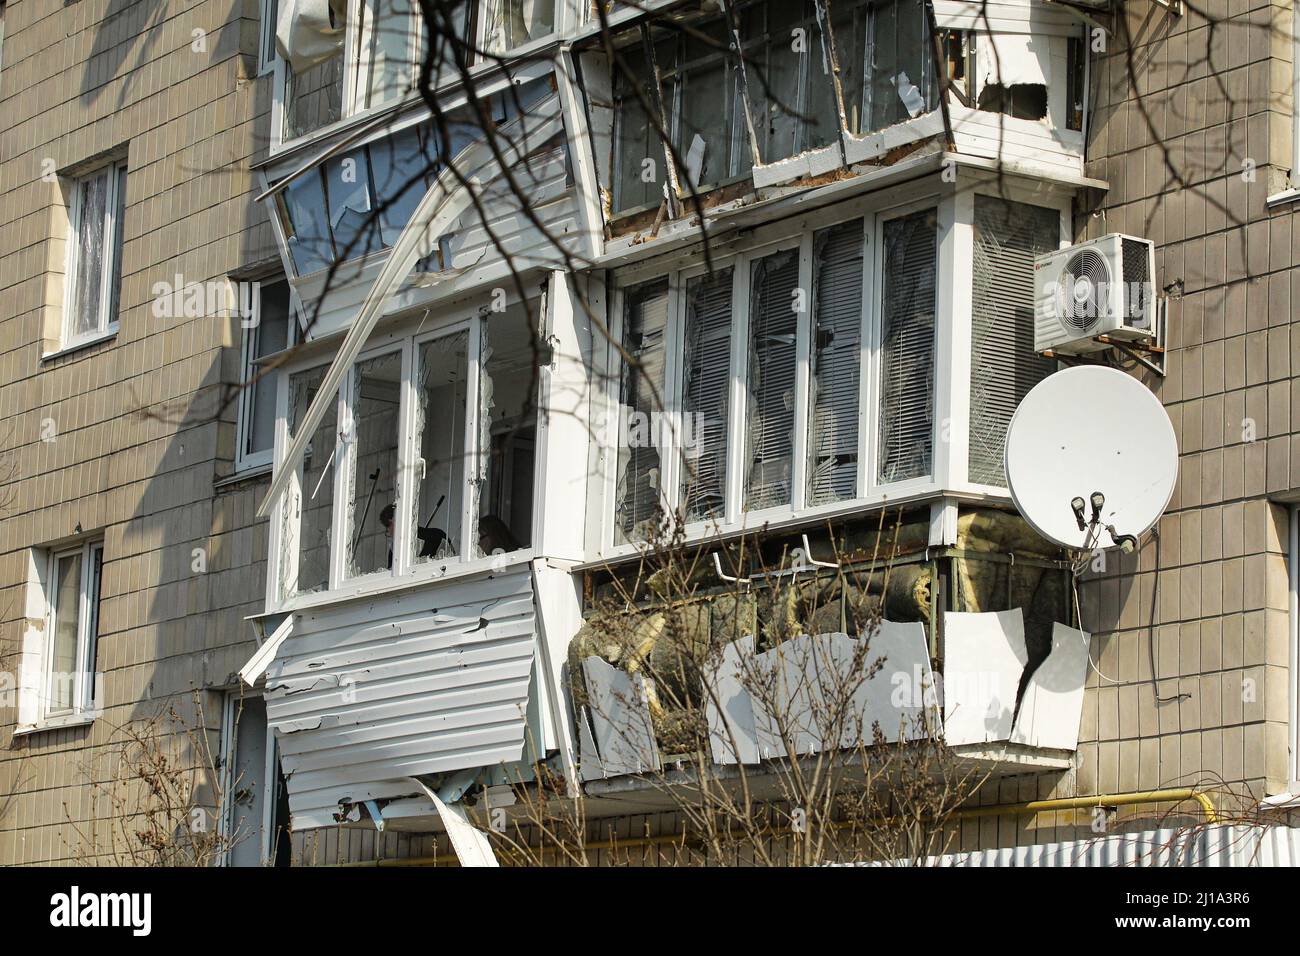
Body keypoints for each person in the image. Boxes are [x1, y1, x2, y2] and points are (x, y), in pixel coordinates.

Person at [379, 503, 448, 568]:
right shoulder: (394, 550)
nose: (389, 532)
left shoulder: (436, 537)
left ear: (397, 521)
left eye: (388, 526)